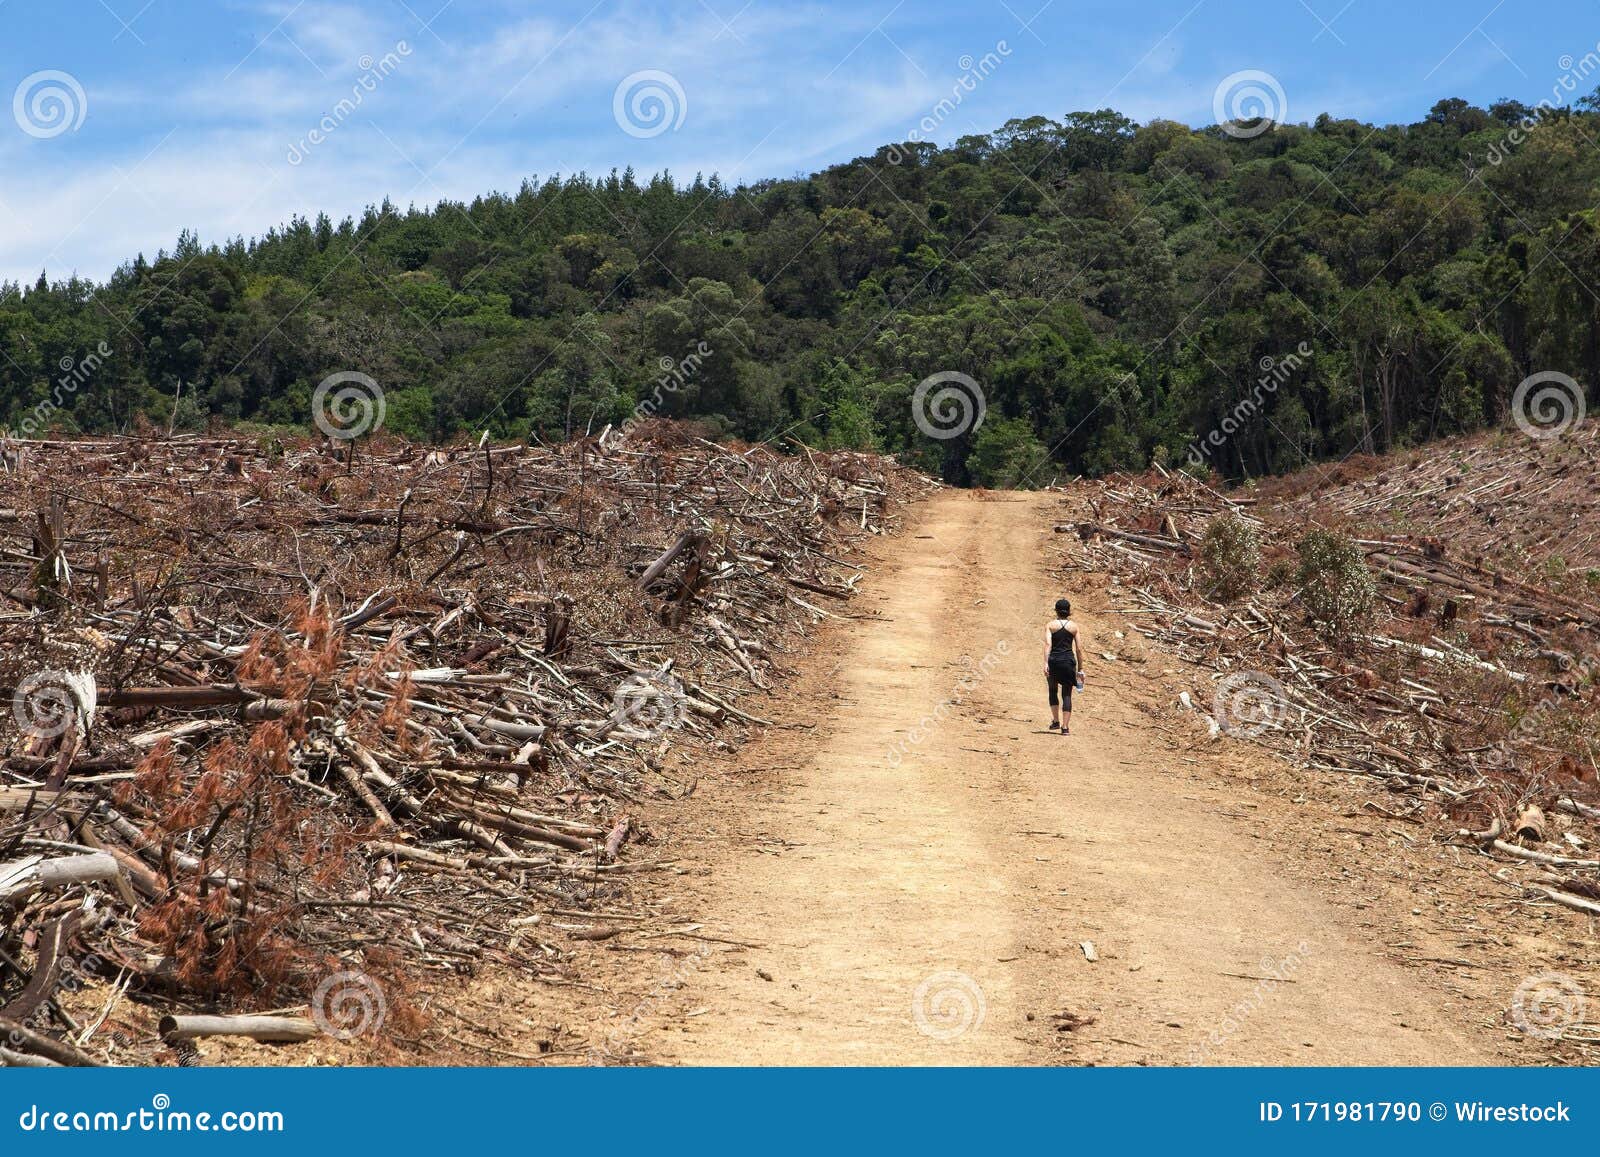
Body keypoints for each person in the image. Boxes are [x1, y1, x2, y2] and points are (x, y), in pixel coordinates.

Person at [1044, 598, 1084, 734]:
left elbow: (1048, 644)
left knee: (1052, 690)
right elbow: (1079, 649)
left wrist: (1045, 662)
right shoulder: (1074, 627)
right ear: (1069, 611)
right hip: (1068, 661)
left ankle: (1055, 721)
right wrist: (1080, 669)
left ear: (1056, 610)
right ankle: (1065, 727)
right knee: (1067, 694)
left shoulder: (1050, 625)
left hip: (1054, 660)